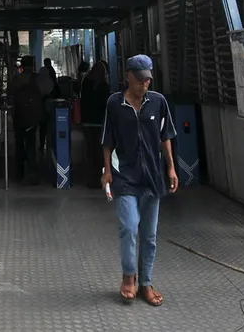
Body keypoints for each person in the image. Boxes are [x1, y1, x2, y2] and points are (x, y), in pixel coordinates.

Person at [101, 54, 178, 306]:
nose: (144, 84)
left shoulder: (158, 102)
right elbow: (107, 139)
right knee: (129, 226)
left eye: (148, 80)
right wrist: (107, 171)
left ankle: (146, 283)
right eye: (139, 79)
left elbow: (165, 136)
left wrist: (171, 168)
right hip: (124, 176)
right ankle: (128, 274)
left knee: (149, 235)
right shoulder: (114, 103)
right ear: (128, 77)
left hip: (152, 177)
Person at [8, 55, 45, 185]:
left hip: (18, 117)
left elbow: (9, 94)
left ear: (22, 66)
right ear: (33, 65)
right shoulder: (38, 80)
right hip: (33, 118)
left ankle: (19, 173)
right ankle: (33, 174)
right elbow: (47, 91)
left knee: (19, 144)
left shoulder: (16, 80)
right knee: (31, 144)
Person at [79, 60, 111, 188]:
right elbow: (105, 103)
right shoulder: (103, 85)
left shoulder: (86, 82)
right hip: (99, 123)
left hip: (87, 122)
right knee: (100, 152)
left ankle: (91, 179)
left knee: (90, 151)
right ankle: (99, 178)